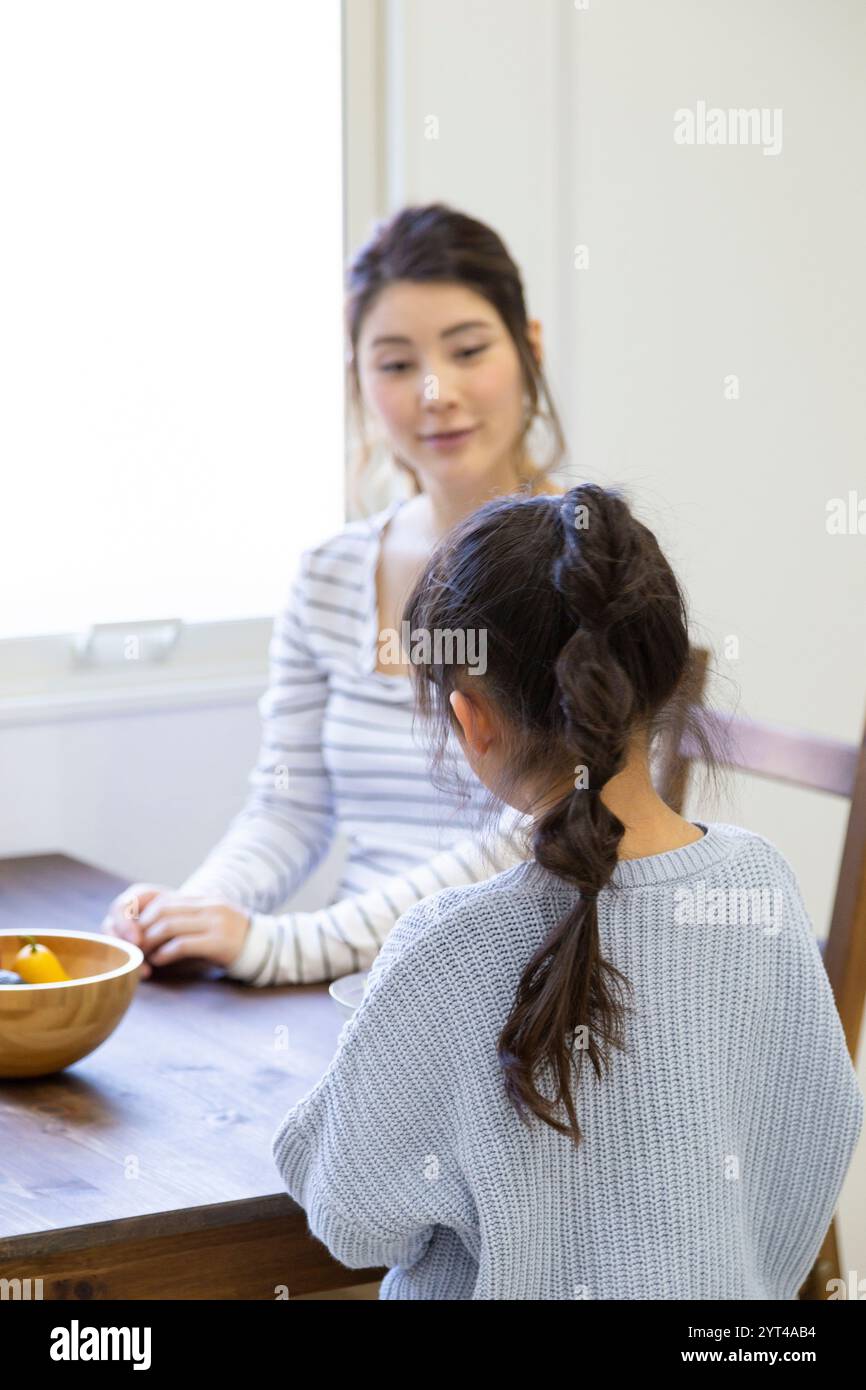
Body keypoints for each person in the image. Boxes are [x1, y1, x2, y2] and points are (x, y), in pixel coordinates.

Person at [270, 483, 864, 1300]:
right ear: (659, 686)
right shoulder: (761, 886)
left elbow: (353, 1220)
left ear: (472, 721)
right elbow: (816, 1137)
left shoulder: (449, 944)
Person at [101, 203, 568, 984]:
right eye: (393, 363)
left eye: (468, 350)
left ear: (530, 350)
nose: (435, 391)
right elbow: (289, 808)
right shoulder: (329, 573)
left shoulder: (586, 561)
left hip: (527, 1000)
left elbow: (540, 836)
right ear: (358, 381)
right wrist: (189, 914)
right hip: (351, 996)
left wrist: (278, 946)